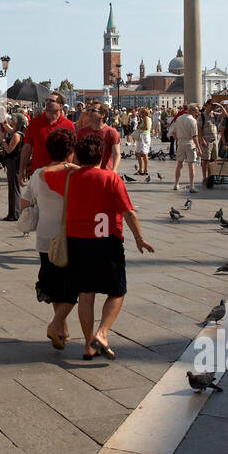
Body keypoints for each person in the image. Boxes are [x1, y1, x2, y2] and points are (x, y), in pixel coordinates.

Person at [45, 134, 154, 360]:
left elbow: (47, 173)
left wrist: (69, 164)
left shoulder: (69, 178)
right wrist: (139, 238)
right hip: (107, 241)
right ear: (101, 155)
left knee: (86, 293)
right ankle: (102, 333)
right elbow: (128, 212)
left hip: (77, 242)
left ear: (77, 154)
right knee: (117, 291)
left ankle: (88, 346)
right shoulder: (111, 179)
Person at [21, 127, 78, 349]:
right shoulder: (76, 173)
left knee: (54, 283)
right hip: (72, 235)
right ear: (70, 151)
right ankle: (55, 324)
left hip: (45, 237)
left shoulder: (37, 175)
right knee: (75, 284)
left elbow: (25, 203)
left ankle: (62, 327)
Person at [19, 92, 76, 185]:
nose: (48, 102)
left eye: (52, 101)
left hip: (61, 174)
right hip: (38, 173)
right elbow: (27, 147)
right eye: (47, 100)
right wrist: (22, 170)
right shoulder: (34, 123)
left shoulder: (68, 125)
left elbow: (71, 151)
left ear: (60, 106)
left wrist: (70, 170)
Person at [0, 112, 27, 221]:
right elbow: (6, 126)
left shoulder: (16, 135)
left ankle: (14, 213)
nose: (11, 120)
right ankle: (13, 213)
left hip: (13, 162)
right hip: (14, 162)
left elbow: (9, 149)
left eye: (12, 119)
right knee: (13, 188)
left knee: (14, 188)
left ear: (16, 121)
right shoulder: (17, 132)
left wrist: (3, 141)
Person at [170, 105, 199, 191]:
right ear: (192, 111)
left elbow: (173, 132)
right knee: (191, 165)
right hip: (190, 143)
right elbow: (195, 136)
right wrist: (198, 147)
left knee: (179, 164)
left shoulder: (179, 118)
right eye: (196, 111)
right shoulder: (192, 120)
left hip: (180, 143)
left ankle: (176, 184)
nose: (197, 113)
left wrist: (178, 139)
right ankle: (192, 186)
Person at [134, 107, 152, 175]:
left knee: (143, 154)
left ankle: (143, 170)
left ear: (144, 113)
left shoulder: (145, 118)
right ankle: (143, 169)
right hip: (146, 136)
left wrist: (139, 127)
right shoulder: (149, 118)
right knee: (141, 153)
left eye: (141, 112)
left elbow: (146, 127)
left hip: (144, 137)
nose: (140, 113)